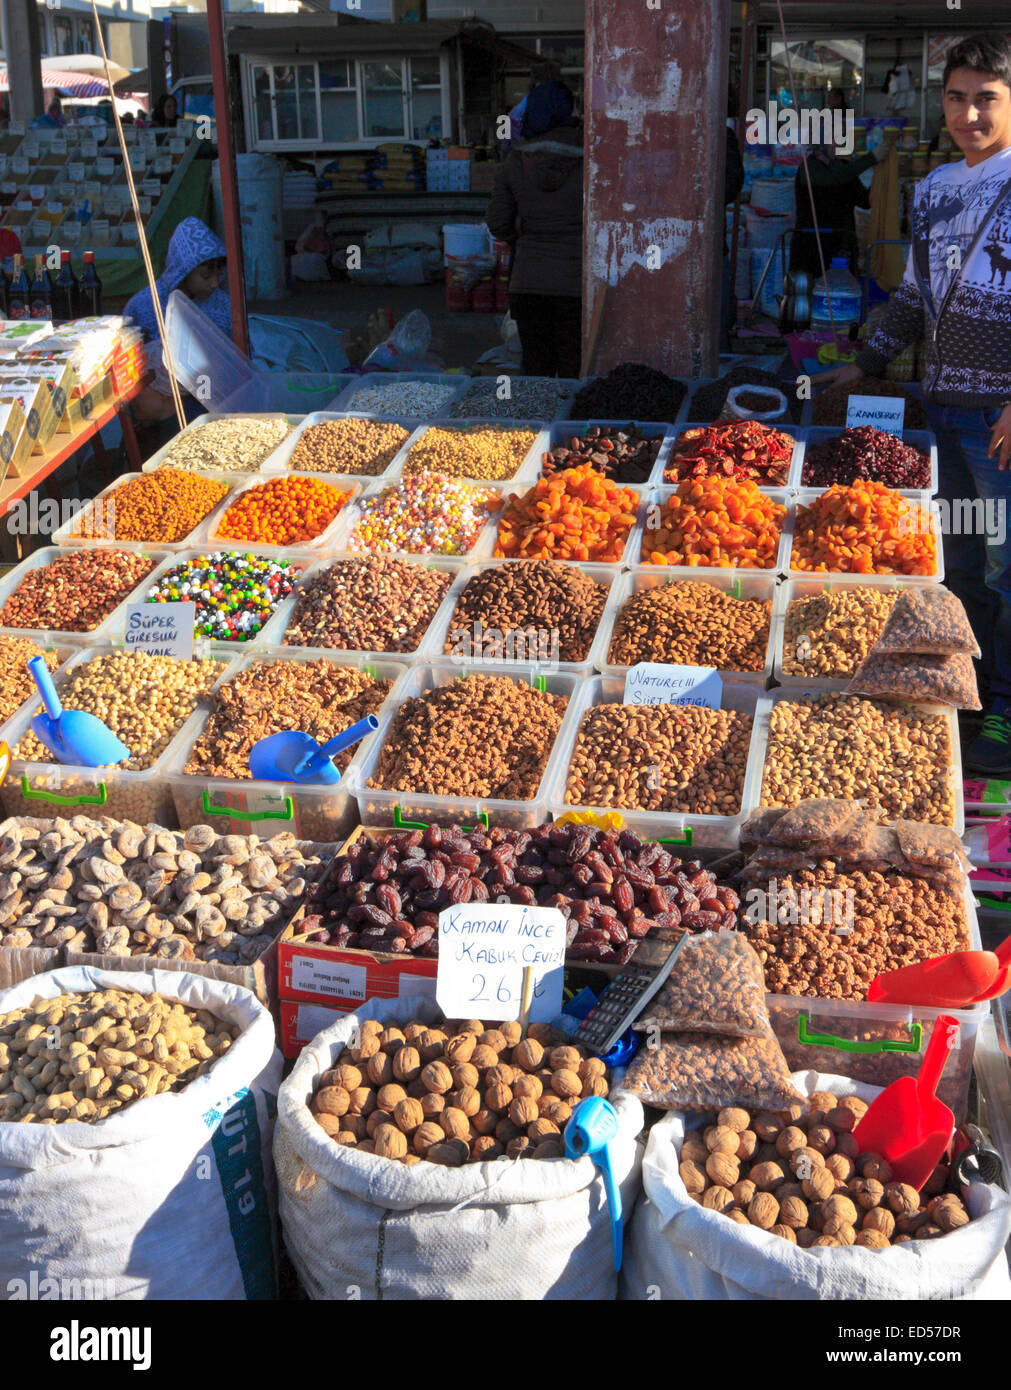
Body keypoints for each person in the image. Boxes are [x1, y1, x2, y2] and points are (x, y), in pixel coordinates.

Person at [824, 33, 1011, 773]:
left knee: (1004, 570)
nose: (969, 113)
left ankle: (1002, 714)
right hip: (942, 406)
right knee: (956, 566)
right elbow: (912, 294)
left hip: (997, 416)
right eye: (957, 98)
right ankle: (957, 696)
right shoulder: (932, 188)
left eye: (987, 100)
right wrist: (863, 362)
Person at [485, 80, 582, 378]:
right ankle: (566, 426)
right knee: (572, 369)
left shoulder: (514, 161)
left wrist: (524, 236)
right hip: (575, 284)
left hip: (527, 282)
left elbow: (497, 222)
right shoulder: (593, 160)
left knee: (536, 371)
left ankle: (538, 424)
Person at [124, 216, 230, 442]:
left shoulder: (222, 305)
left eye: (217, 274)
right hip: (156, 397)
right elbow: (126, 361)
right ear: (183, 269)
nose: (213, 283)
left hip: (205, 393)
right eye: (205, 275)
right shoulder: (144, 304)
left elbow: (235, 356)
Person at [790, 124, 887, 276]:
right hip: (811, 247)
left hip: (842, 247)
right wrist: (871, 158)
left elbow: (865, 201)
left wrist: (881, 180)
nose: (840, 143)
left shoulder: (843, 168)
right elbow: (833, 179)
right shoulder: (809, 168)